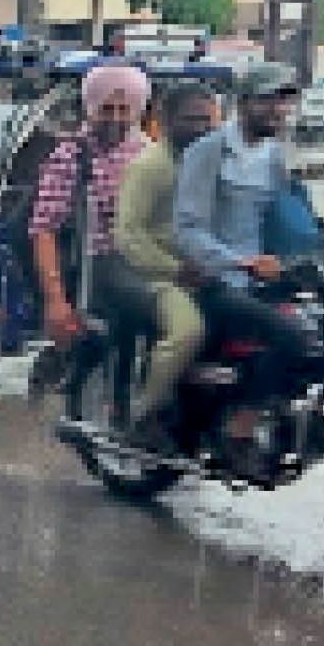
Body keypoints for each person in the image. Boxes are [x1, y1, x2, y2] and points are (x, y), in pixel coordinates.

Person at [172, 63, 324, 475]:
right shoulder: (206, 152)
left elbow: (290, 218)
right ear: (243, 104)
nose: (277, 109)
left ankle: (294, 416)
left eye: (284, 100)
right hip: (214, 279)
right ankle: (239, 432)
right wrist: (238, 261)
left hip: (263, 276)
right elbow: (187, 229)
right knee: (291, 336)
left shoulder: (275, 155)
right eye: (267, 99)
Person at [112, 80, 218, 455]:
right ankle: (145, 416)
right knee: (188, 332)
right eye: (192, 120)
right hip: (154, 275)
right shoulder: (150, 167)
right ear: (165, 120)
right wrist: (175, 270)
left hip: (204, 269)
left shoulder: (208, 163)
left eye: (209, 120)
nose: (203, 128)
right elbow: (128, 235)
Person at [29, 62, 153, 364]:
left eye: (124, 109)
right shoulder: (71, 155)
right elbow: (44, 228)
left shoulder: (148, 151)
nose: (115, 118)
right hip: (97, 261)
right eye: (106, 108)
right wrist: (55, 300)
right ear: (90, 109)